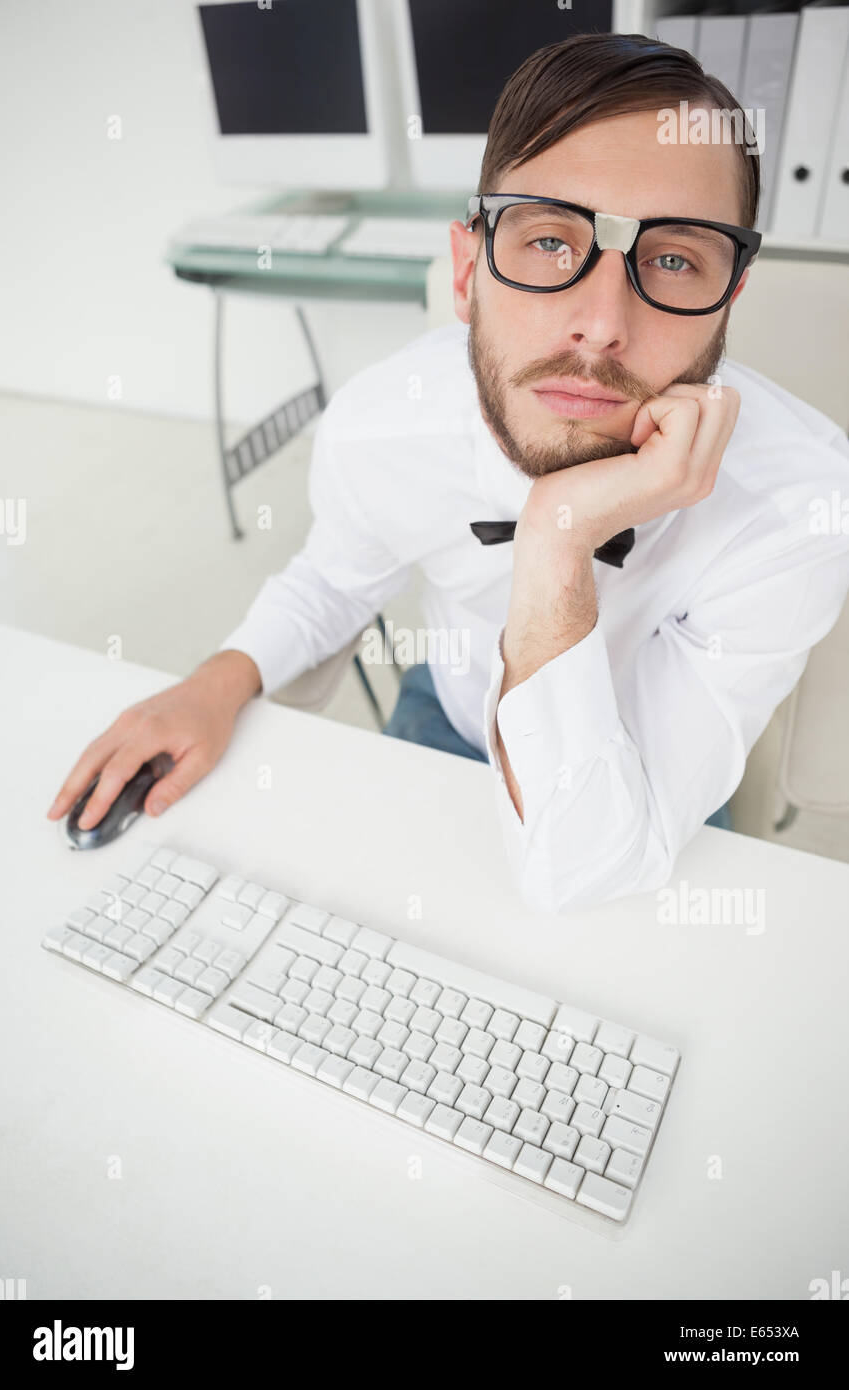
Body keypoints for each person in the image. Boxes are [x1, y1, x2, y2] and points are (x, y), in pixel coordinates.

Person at [47, 33, 849, 913]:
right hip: (454, 710)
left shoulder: (798, 504)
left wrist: (555, 534)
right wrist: (215, 681)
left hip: (652, 757)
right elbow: (332, 578)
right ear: (469, 270)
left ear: (729, 297)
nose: (601, 325)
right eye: (550, 240)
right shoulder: (381, 425)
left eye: (669, 259)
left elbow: (582, 865)